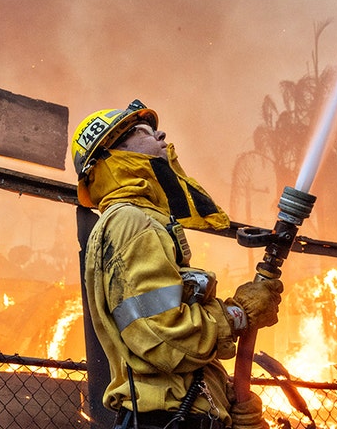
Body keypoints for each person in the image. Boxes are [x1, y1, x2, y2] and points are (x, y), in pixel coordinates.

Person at [72, 100, 283, 429]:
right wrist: (238, 314)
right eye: (143, 132)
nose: (161, 135)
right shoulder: (129, 221)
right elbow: (164, 336)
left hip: (177, 416)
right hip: (166, 421)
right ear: (113, 154)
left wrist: (229, 402)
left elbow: (173, 362)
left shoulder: (144, 222)